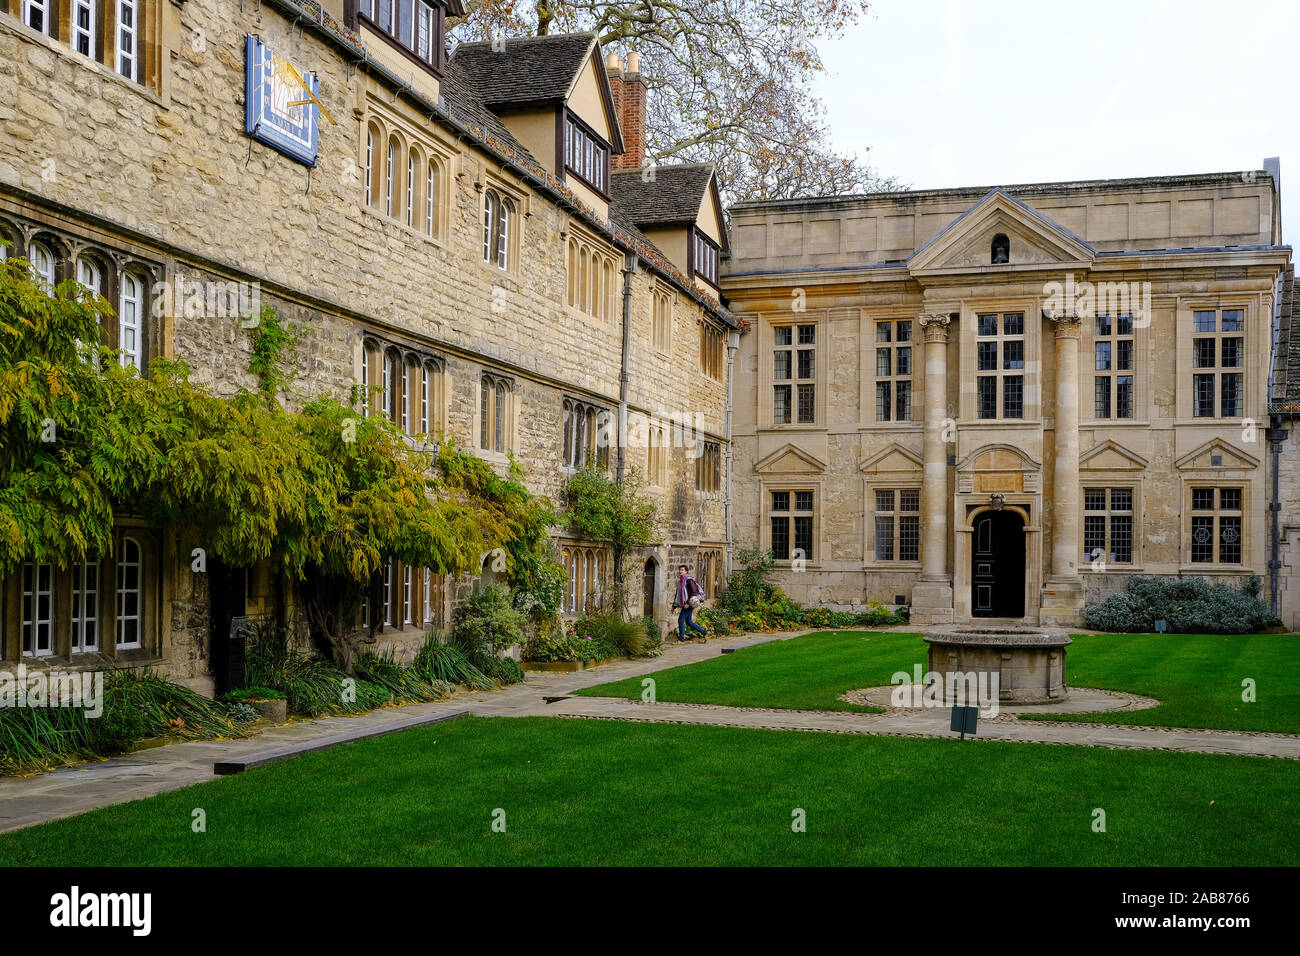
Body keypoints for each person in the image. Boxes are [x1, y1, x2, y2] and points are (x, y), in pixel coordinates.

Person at [672, 564, 709, 643]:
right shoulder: (680, 581)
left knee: (680, 620)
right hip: (686, 604)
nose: (680, 571)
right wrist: (674, 606)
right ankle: (704, 632)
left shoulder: (689, 580)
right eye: (680, 570)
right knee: (689, 622)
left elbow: (694, 592)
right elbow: (677, 595)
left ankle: (681, 639)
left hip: (690, 603)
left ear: (686, 571)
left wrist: (688, 603)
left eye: (682, 570)